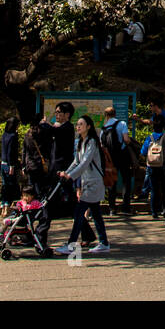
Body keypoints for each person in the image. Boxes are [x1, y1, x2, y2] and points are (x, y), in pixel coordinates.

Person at [57, 115, 111, 254]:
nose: (78, 126)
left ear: (89, 126)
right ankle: (104, 243)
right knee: (96, 214)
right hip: (88, 182)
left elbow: (85, 162)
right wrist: (66, 172)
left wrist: (71, 176)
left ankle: (71, 245)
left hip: (93, 183)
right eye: (77, 124)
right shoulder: (82, 141)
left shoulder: (92, 142)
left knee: (79, 213)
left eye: (81, 124)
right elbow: (76, 161)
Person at [42, 102, 95, 244]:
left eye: (59, 112)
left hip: (63, 173)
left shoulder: (67, 128)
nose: (57, 114)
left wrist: (45, 124)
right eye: (56, 112)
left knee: (50, 204)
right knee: (71, 205)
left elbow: (53, 132)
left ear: (67, 115)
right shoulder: (58, 127)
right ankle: (87, 234)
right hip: (57, 171)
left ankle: (41, 234)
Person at [101, 107, 134, 215]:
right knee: (126, 180)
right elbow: (126, 139)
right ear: (115, 114)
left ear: (106, 115)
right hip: (122, 155)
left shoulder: (104, 128)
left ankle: (112, 208)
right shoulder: (122, 124)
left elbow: (102, 145)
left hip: (110, 158)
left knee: (112, 182)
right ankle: (126, 207)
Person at [22, 120, 51, 199]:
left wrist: (23, 165)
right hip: (40, 165)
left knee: (31, 188)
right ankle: (39, 204)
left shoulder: (27, 135)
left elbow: (24, 152)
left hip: (30, 165)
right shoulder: (42, 134)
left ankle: (32, 206)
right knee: (41, 188)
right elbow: (48, 149)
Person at [0, 117, 20, 218]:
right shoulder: (13, 136)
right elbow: (11, 152)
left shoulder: (4, 135)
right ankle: (7, 207)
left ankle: (3, 206)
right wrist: (12, 165)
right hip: (9, 164)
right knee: (10, 187)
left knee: (4, 186)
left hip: (3, 163)